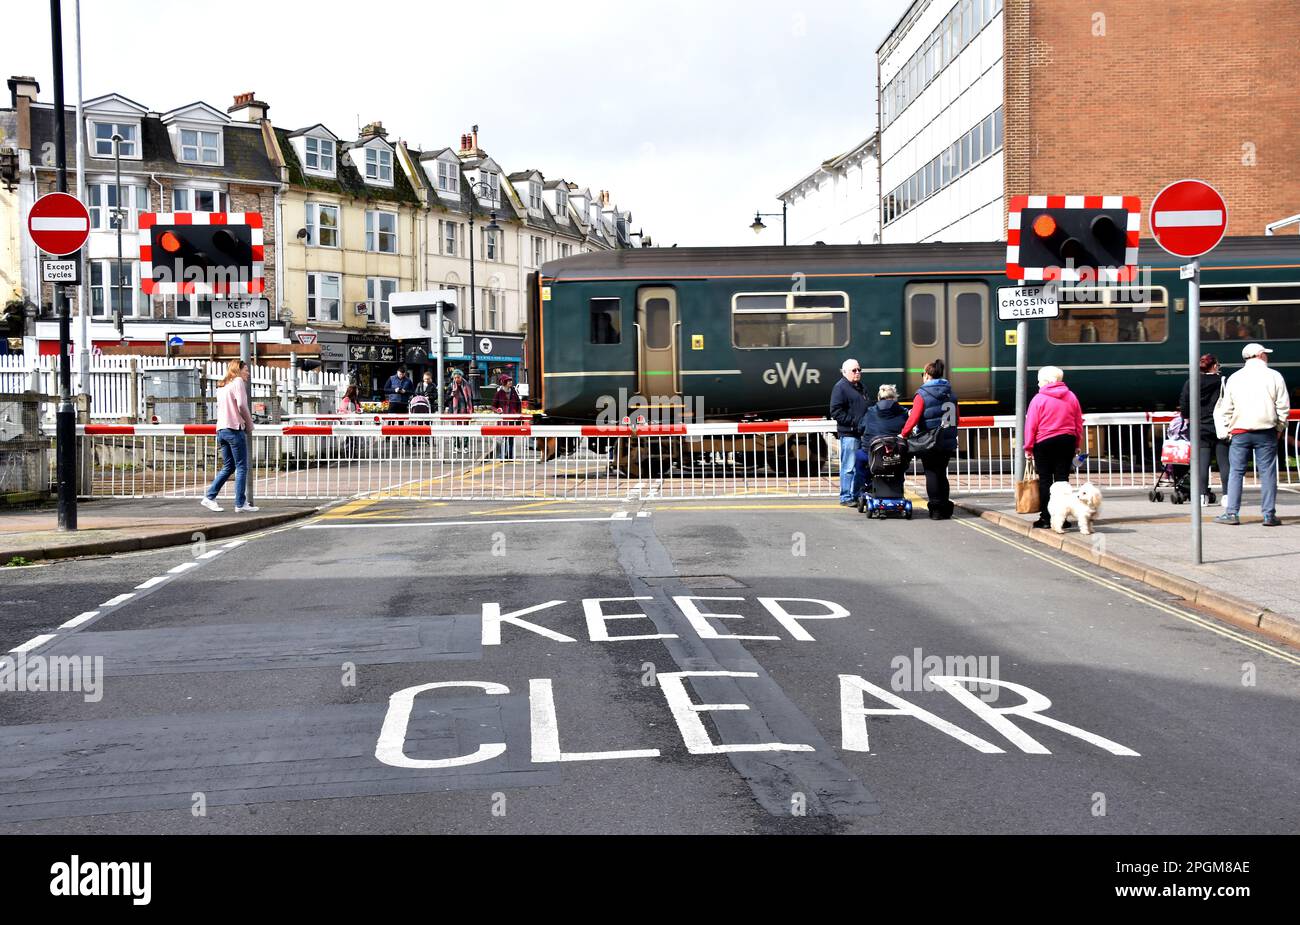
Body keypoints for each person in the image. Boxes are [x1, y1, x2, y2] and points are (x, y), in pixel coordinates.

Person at [1214, 343, 1290, 526]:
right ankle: (1268, 515)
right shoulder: (1274, 376)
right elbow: (1283, 407)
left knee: (1236, 472)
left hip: (1240, 432)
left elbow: (1226, 408)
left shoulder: (1235, 378)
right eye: (1266, 354)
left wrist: (1228, 429)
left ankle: (1232, 513)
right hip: (1266, 432)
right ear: (1261, 355)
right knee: (1268, 473)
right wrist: (1280, 428)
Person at [1022, 365, 1083, 529]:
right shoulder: (1071, 397)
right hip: (1067, 441)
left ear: (1047, 381)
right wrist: (1077, 443)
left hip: (1044, 442)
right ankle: (1062, 518)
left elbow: (1031, 426)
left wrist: (1028, 447)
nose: (1038, 384)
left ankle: (1046, 518)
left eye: (1039, 381)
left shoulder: (1038, 399)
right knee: (1062, 481)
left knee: (1045, 480)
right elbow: (1078, 422)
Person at [901, 359, 960, 519]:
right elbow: (957, 418)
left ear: (927, 375)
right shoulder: (950, 393)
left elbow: (914, 417)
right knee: (942, 473)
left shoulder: (922, 394)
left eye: (922, 374)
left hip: (929, 440)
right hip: (947, 440)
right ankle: (945, 507)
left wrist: (903, 434)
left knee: (931, 473)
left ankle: (935, 509)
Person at [202, 359, 257, 513]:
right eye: (246, 369)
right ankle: (240, 504)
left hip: (221, 430)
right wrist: (249, 423)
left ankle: (209, 497)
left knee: (229, 466)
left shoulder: (223, 386)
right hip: (234, 429)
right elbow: (241, 405)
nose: (248, 373)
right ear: (238, 370)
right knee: (241, 467)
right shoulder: (239, 382)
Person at [1179, 354, 1231, 505]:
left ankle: (1202, 496)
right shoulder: (1223, 381)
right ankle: (1227, 496)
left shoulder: (1192, 382)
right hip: (1220, 426)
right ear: (1214, 366)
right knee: (1224, 463)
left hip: (1200, 427)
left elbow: (1184, 404)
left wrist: (1189, 417)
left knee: (1202, 463)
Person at [854, 383, 909, 493]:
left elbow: (860, 428)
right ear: (894, 397)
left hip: (873, 454)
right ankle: (898, 485)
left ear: (879, 398)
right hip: (896, 455)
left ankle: (865, 486)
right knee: (903, 460)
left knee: (859, 457)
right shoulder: (903, 413)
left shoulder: (870, 412)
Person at [829, 358, 869, 505]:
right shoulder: (840, 388)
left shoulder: (861, 386)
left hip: (861, 433)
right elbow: (835, 411)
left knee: (859, 466)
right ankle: (845, 497)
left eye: (859, 370)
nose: (857, 372)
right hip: (850, 434)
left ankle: (856, 494)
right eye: (854, 370)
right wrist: (854, 422)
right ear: (845, 372)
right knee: (848, 467)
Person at [492, 374, 522, 459]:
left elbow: (519, 403)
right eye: (508, 381)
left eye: (511, 380)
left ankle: (510, 456)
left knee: (511, 438)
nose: (510, 382)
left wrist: (518, 413)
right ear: (504, 382)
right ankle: (502, 456)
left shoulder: (513, 391)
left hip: (512, 419)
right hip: (502, 420)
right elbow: (493, 406)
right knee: (502, 438)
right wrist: (497, 410)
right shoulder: (499, 393)